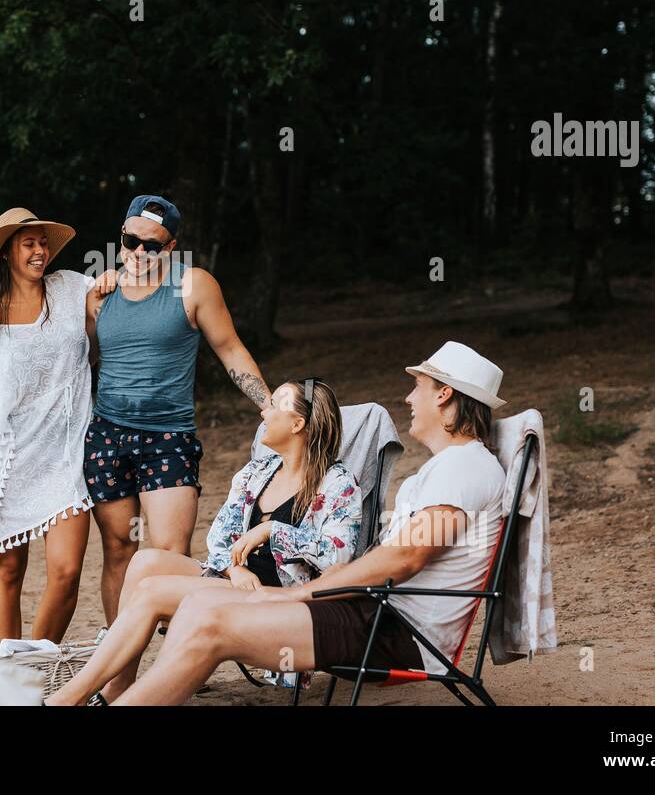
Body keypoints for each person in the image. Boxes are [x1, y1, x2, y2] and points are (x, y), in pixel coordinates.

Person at [101, 341, 509, 706]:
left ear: (444, 394)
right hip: (372, 610)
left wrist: (298, 595)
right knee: (198, 604)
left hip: (394, 630)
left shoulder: (464, 467)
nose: (407, 398)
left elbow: (401, 559)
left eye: (417, 387)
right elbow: (394, 558)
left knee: (208, 619)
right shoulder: (450, 467)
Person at [46, 379, 360, 705]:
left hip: (281, 602)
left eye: (275, 404)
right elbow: (221, 536)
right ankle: (118, 686)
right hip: (236, 583)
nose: (264, 411)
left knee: (153, 592)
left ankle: (67, 700)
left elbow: (339, 554)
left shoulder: (338, 484)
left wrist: (272, 531)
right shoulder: (258, 471)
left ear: (298, 423)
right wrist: (232, 571)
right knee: (145, 562)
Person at [86, 194, 272, 625]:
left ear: (170, 247)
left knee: (169, 555)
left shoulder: (194, 285)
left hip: (167, 437)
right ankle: (119, 665)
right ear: (121, 236)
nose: (138, 253)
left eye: (151, 246)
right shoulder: (98, 295)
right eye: (131, 241)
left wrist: (269, 406)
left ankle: (182, 653)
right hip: (107, 434)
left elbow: (230, 350)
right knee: (117, 549)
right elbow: (84, 360)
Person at [0, 207, 115, 646]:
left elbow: (107, 289)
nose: (40, 250)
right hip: (11, 459)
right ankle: (7, 681)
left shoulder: (68, 289)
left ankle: (32, 666)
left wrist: (109, 281)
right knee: (8, 573)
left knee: (65, 573)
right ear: (7, 253)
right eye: (29, 243)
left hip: (68, 455)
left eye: (43, 242)